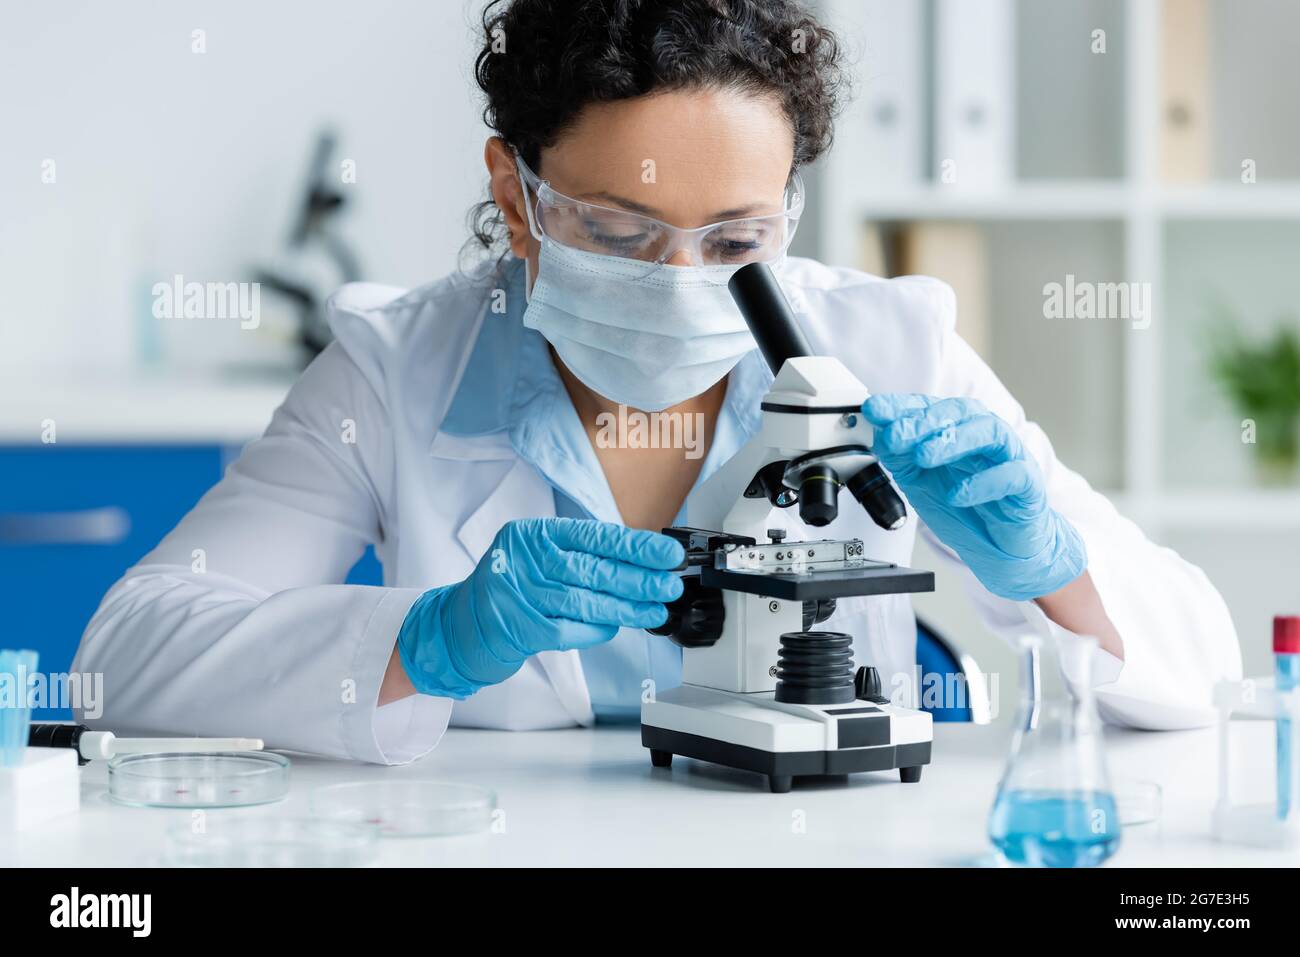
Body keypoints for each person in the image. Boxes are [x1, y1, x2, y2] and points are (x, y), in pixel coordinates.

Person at [74, 0, 1241, 764]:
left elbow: (1203, 664)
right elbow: (124, 655)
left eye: (735, 240)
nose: (680, 280)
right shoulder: (396, 369)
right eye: (624, 235)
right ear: (517, 191)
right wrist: (425, 639)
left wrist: (1054, 570)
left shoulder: (885, 343)